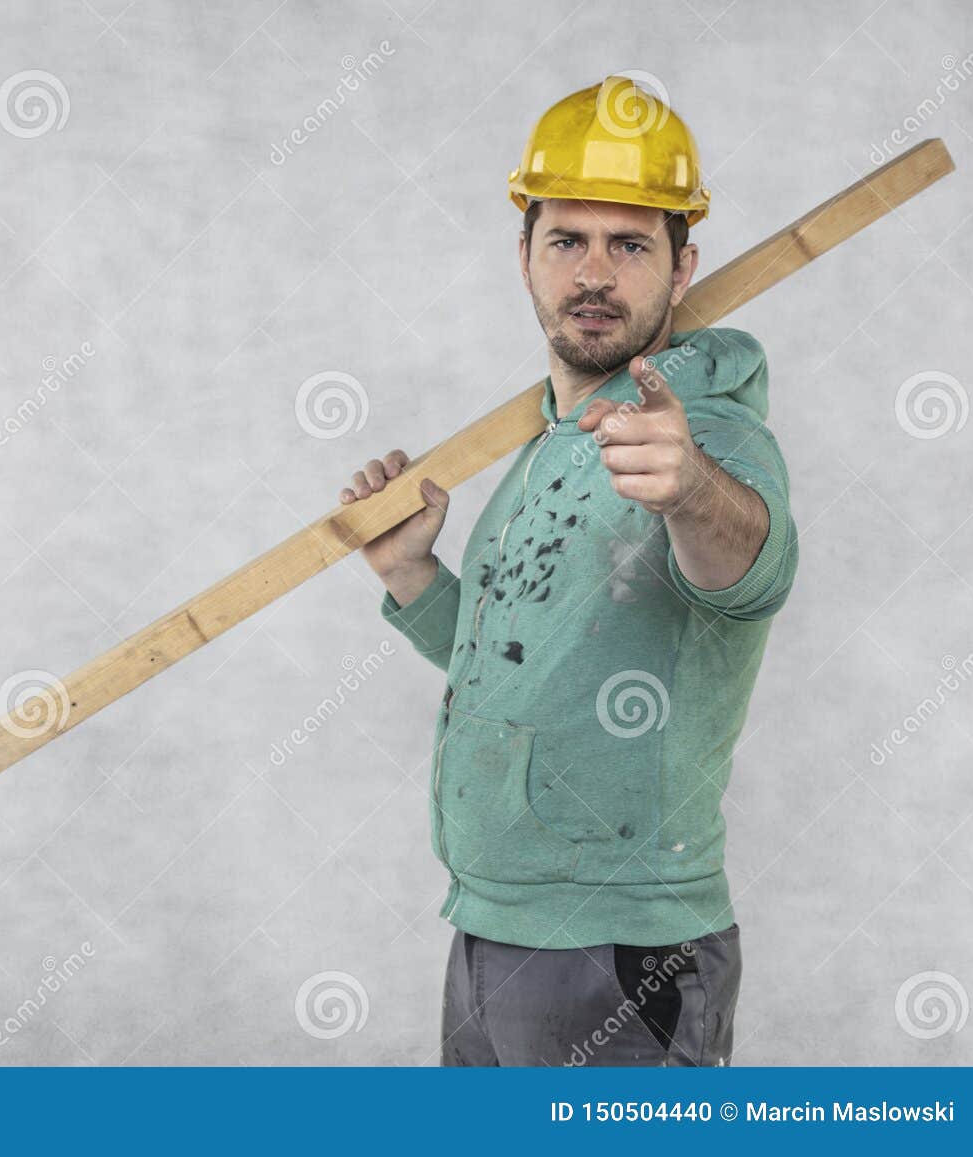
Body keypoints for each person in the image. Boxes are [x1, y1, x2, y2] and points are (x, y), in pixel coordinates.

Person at [339, 75, 799, 1066]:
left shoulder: (709, 428)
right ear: (524, 258)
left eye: (629, 243)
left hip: (622, 946)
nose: (593, 271)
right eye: (567, 240)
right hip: (494, 918)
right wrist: (416, 576)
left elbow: (752, 565)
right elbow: (524, 660)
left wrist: (690, 493)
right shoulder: (548, 440)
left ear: (682, 268)